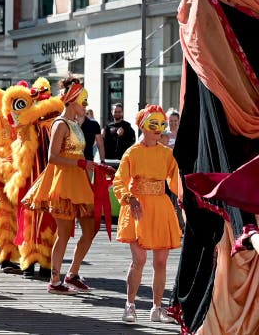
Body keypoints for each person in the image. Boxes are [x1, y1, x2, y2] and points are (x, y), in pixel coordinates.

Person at [168, 0, 259, 333]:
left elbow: (203, 122)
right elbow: (208, 122)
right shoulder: (209, 2)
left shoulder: (208, 1)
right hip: (239, 186)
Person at [22, 78, 101, 295]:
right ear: (72, 100)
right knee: (64, 233)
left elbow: (77, 155)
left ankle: (72, 274)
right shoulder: (60, 124)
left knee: (90, 229)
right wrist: (80, 163)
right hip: (64, 183)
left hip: (79, 181)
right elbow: (52, 157)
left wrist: (89, 167)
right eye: (83, 100)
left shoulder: (75, 124)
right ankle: (55, 281)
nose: (85, 105)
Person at [112, 105, 181, 324]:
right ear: (143, 126)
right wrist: (129, 198)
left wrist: (187, 196)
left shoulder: (167, 154)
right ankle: (130, 305)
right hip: (138, 209)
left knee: (160, 263)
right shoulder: (132, 152)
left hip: (161, 208)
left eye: (162, 124)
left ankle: (157, 308)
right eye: (154, 125)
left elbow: (176, 181)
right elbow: (119, 181)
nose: (159, 129)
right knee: (139, 260)